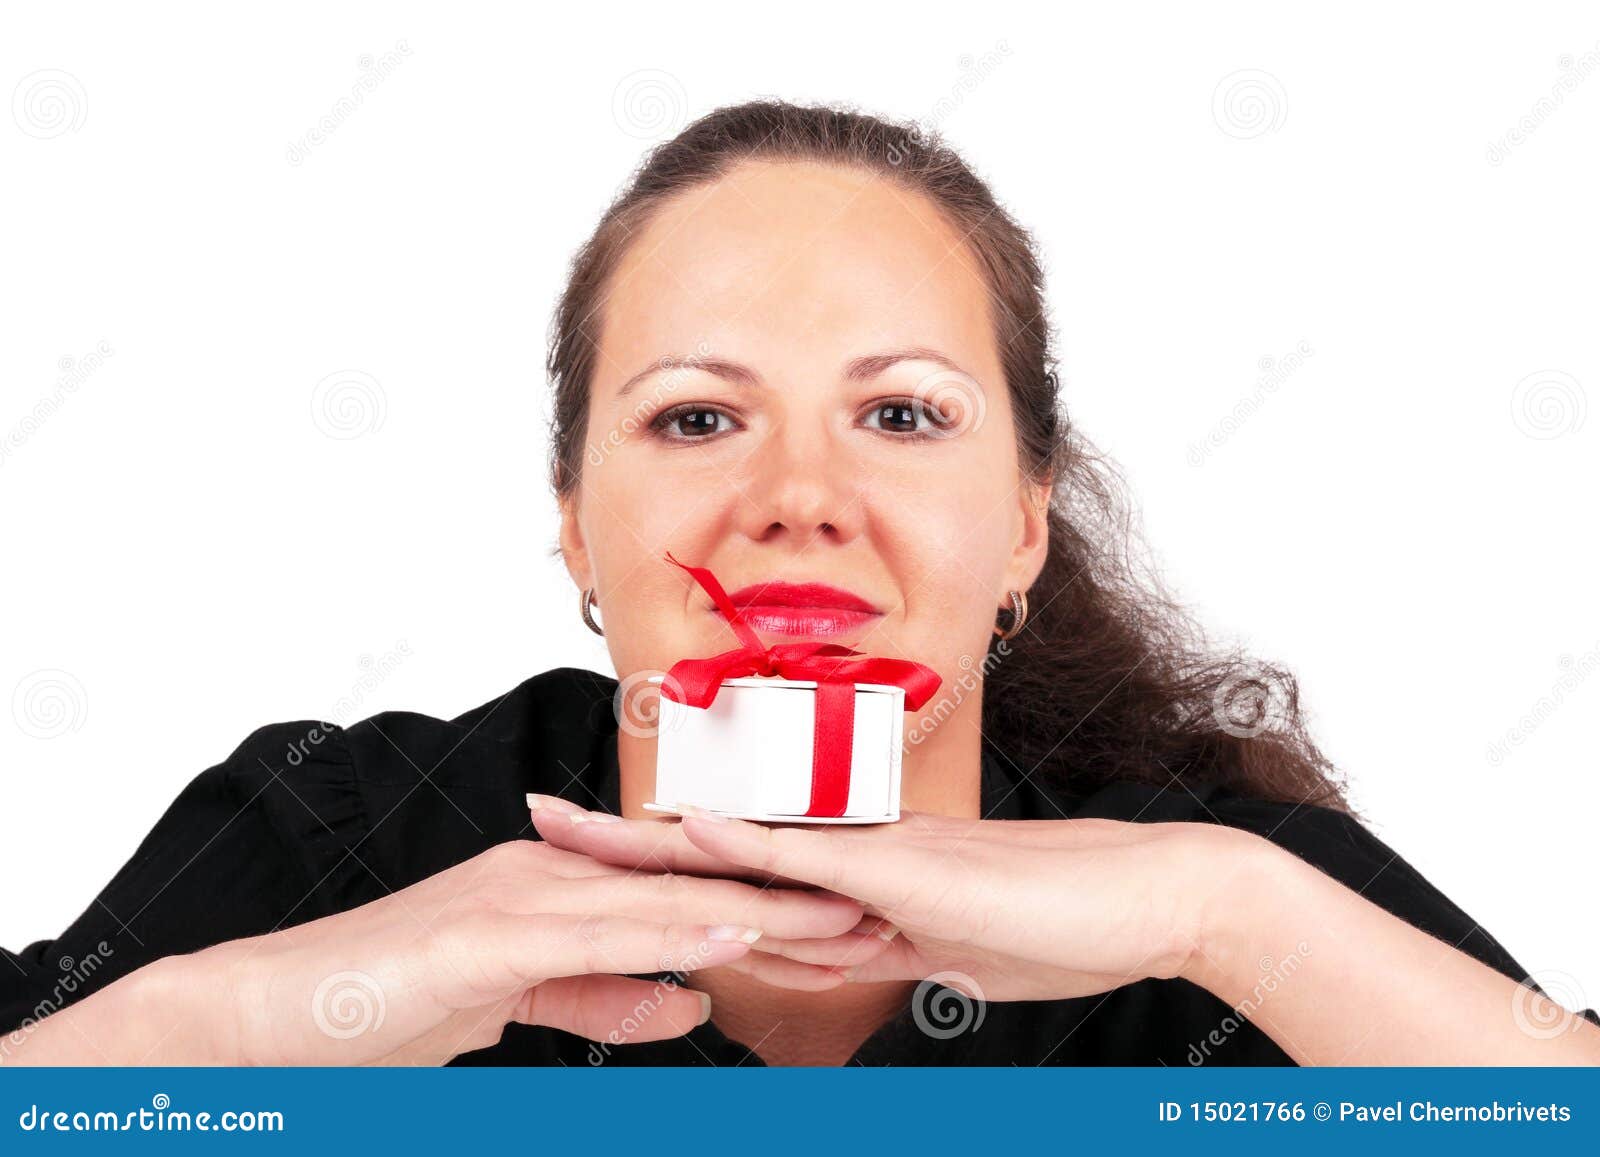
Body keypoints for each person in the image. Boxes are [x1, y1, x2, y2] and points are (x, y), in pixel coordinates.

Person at [4, 101, 1596, 1067]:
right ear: (574, 520)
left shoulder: (1231, 897)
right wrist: (236, 1021)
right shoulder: (344, 830)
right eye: (698, 416)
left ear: (1026, 526)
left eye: (901, 415)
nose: (798, 502)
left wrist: (1226, 916)